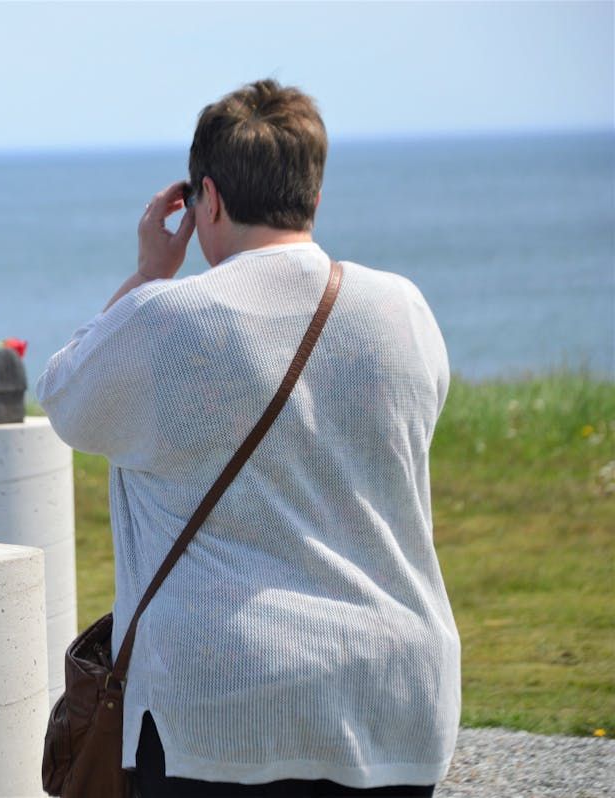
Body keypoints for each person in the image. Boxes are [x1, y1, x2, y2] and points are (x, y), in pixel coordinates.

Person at [35, 79, 459, 797]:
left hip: (221, 713)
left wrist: (147, 273)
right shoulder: (403, 309)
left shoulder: (169, 318)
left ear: (209, 199)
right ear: (314, 198)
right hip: (396, 697)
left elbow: (66, 395)